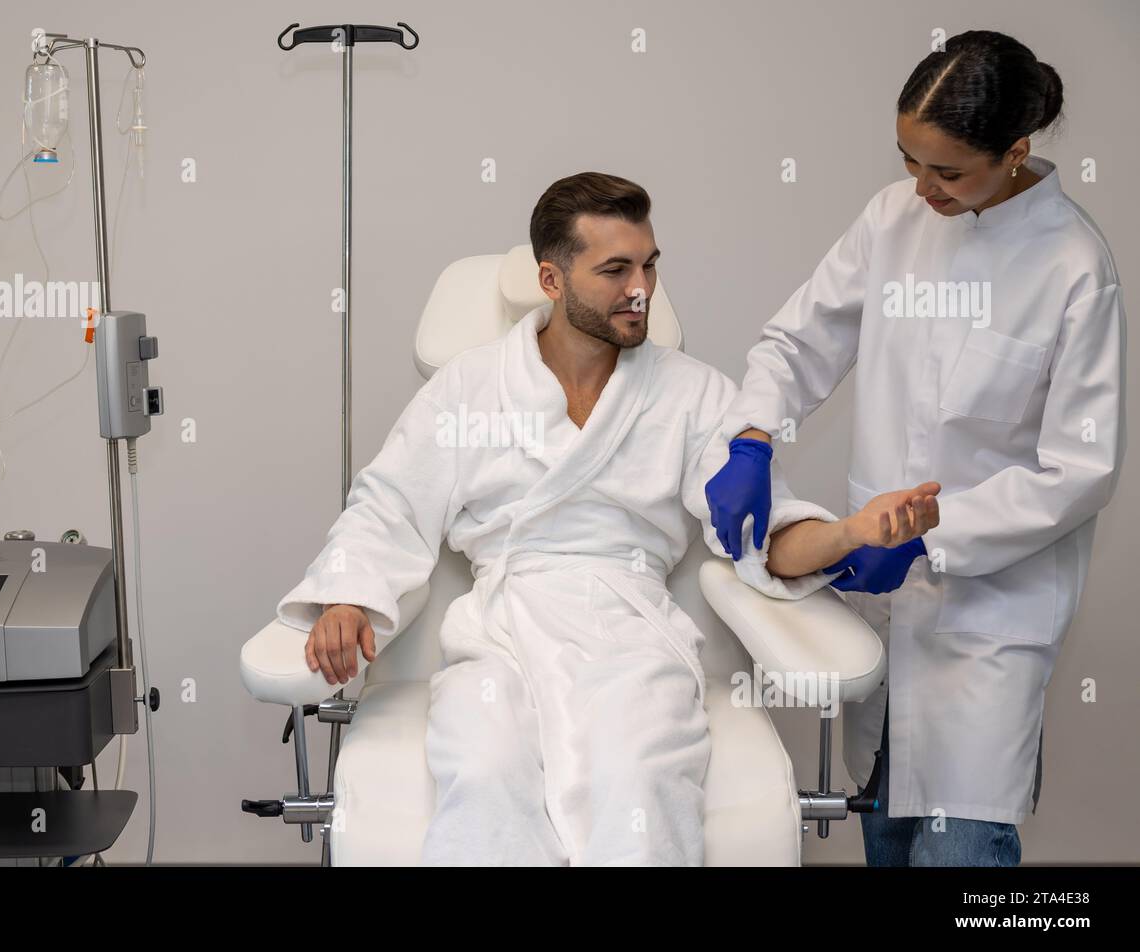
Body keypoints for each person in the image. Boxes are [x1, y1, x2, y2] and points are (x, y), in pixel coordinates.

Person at [277, 172, 939, 865]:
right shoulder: (469, 388)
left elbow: (762, 537)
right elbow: (389, 504)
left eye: (650, 265)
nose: (640, 288)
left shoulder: (694, 395)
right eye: (614, 269)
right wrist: (350, 595)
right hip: (501, 633)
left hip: (633, 636)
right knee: (482, 769)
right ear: (551, 279)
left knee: (640, 776)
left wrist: (850, 534)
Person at [706, 31, 1126, 866]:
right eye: (908, 160)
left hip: (989, 614)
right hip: (879, 594)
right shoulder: (892, 219)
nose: (921, 187)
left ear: (1015, 152)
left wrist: (933, 537)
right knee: (888, 828)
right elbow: (798, 343)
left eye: (947, 171)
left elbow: (1079, 471)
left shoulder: (1075, 267)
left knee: (962, 846)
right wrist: (752, 437)